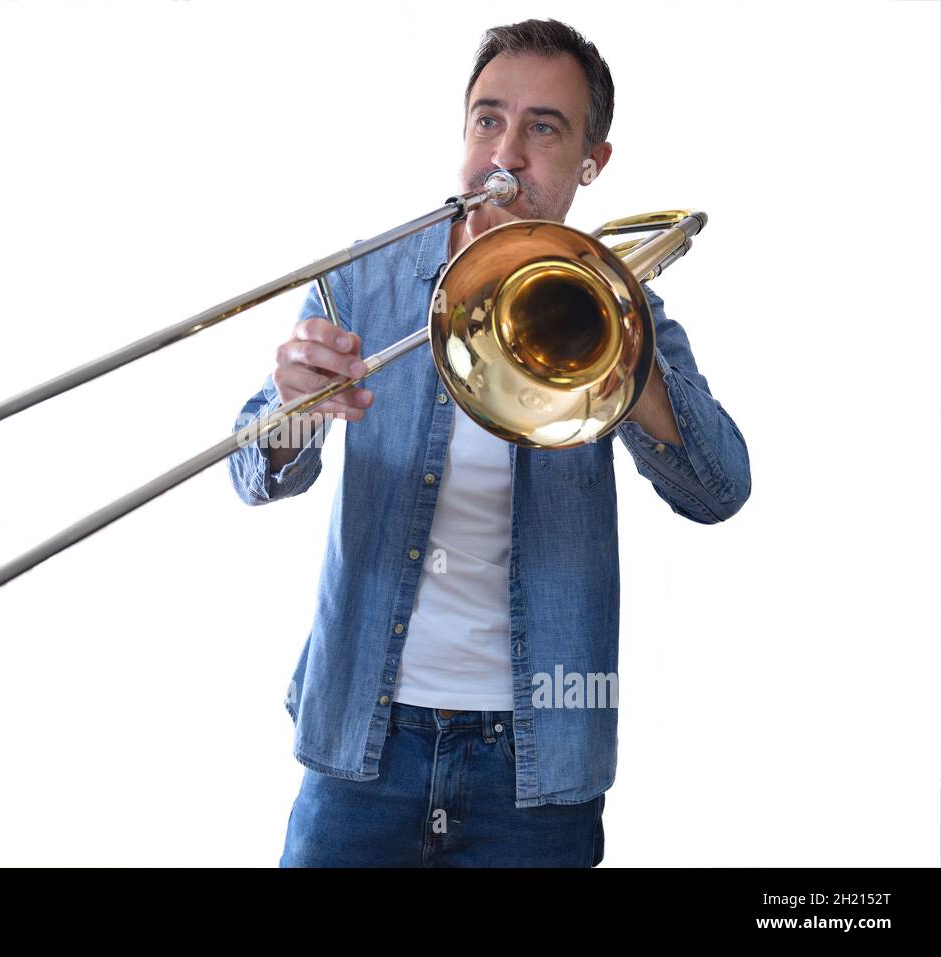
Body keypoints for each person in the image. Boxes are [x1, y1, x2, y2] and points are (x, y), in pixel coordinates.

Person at [227, 19, 750, 867]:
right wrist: (294, 411)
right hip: (364, 742)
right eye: (487, 119)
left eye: (545, 128)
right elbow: (254, 473)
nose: (507, 149)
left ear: (593, 161)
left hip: (536, 766)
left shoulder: (625, 308)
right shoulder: (363, 279)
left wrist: (622, 344)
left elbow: (721, 489)